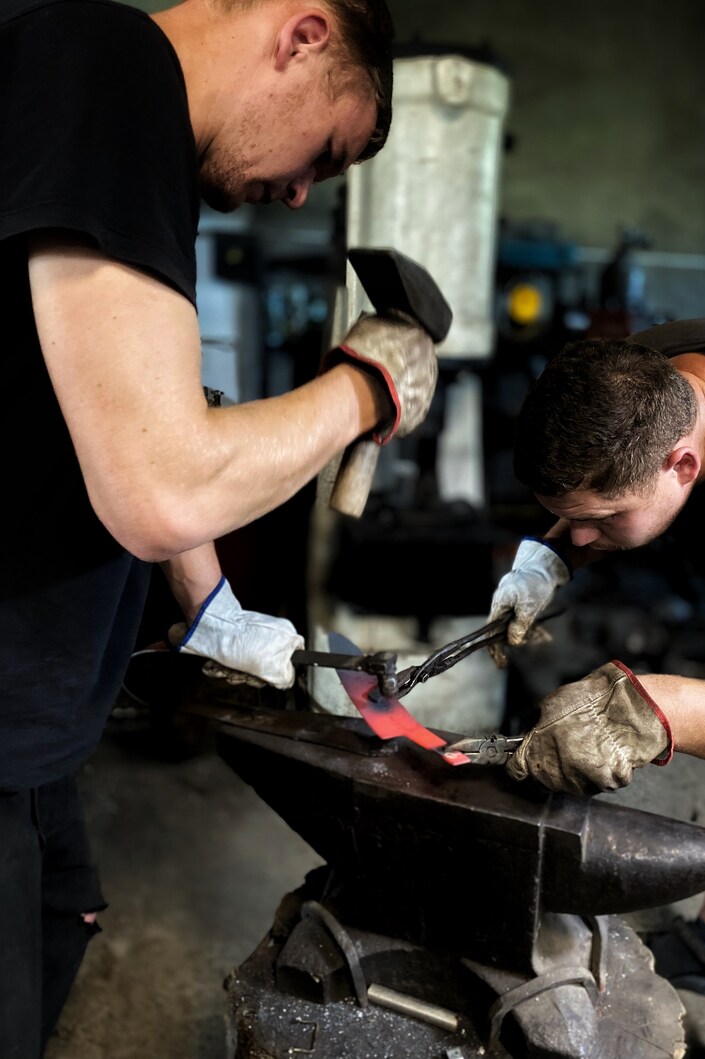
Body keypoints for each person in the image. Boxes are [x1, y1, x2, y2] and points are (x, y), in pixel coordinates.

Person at [0, 0, 442, 1056]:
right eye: (322, 154)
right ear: (301, 35)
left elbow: (124, 399)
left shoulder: (126, 120)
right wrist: (368, 388)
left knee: (66, 911)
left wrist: (211, 610)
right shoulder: (102, 63)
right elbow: (159, 483)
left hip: (35, 734)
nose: (296, 191)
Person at [488, 310, 705, 1059]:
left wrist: (659, 706)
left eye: (600, 522)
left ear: (682, 466)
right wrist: (546, 561)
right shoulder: (641, 378)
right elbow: (596, 501)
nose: (580, 535)